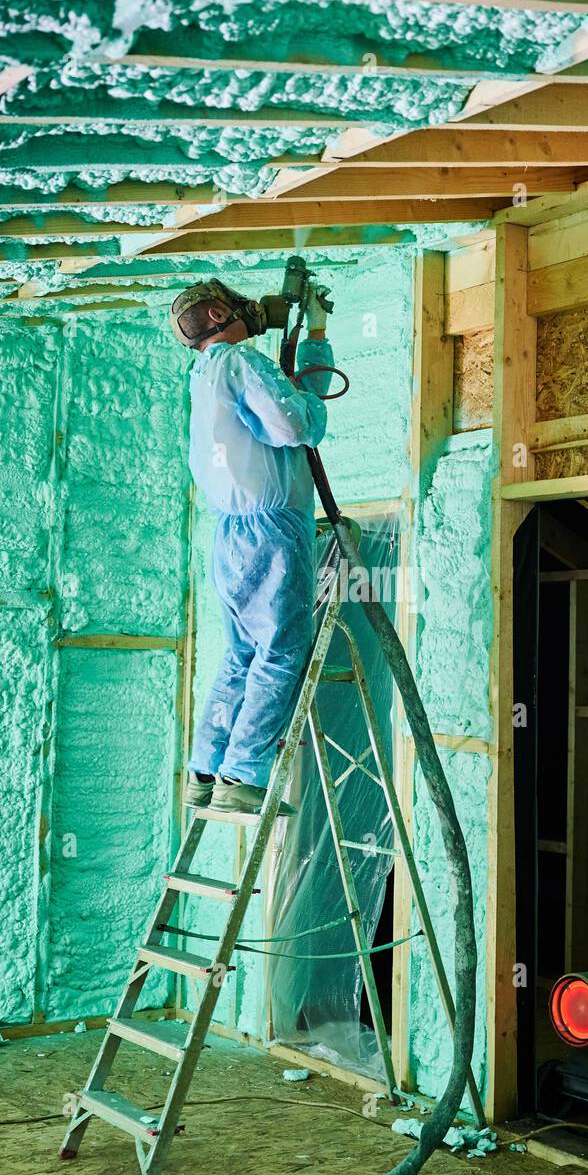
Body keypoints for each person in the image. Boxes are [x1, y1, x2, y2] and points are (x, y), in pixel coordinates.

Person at [170, 276, 333, 816]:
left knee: (243, 653)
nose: (248, 308)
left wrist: (314, 333)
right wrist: (313, 394)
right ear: (217, 315)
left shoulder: (203, 376)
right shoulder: (240, 361)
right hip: (271, 532)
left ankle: (204, 771)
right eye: (234, 302)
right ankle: (241, 775)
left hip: (230, 538)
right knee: (283, 652)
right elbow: (294, 423)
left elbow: (275, 404)